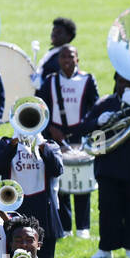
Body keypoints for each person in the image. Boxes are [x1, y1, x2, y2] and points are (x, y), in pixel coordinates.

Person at [78, 74, 130, 258]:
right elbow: (84, 128)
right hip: (109, 166)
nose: (126, 86)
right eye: (122, 81)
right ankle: (105, 249)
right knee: (108, 209)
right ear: (115, 81)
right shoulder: (104, 104)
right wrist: (99, 122)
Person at [38, 44, 99, 239]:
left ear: (77, 59)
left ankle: (83, 227)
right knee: (61, 182)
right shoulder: (50, 81)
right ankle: (65, 227)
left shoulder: (87, 79)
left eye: (71, 56)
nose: (67, 60)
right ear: (58, 60)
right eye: (63, 57)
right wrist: (50, 130)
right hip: (56, 137)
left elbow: (95, 108)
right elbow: (41, 108)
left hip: (79, 138)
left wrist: (84, 129)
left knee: (81, 180)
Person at [0, 121, 64, 258]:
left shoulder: (50, 145)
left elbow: (57, 169)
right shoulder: (5, 144)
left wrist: (41, 146)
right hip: (14, 209)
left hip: (43, 212)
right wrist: (13, 143)